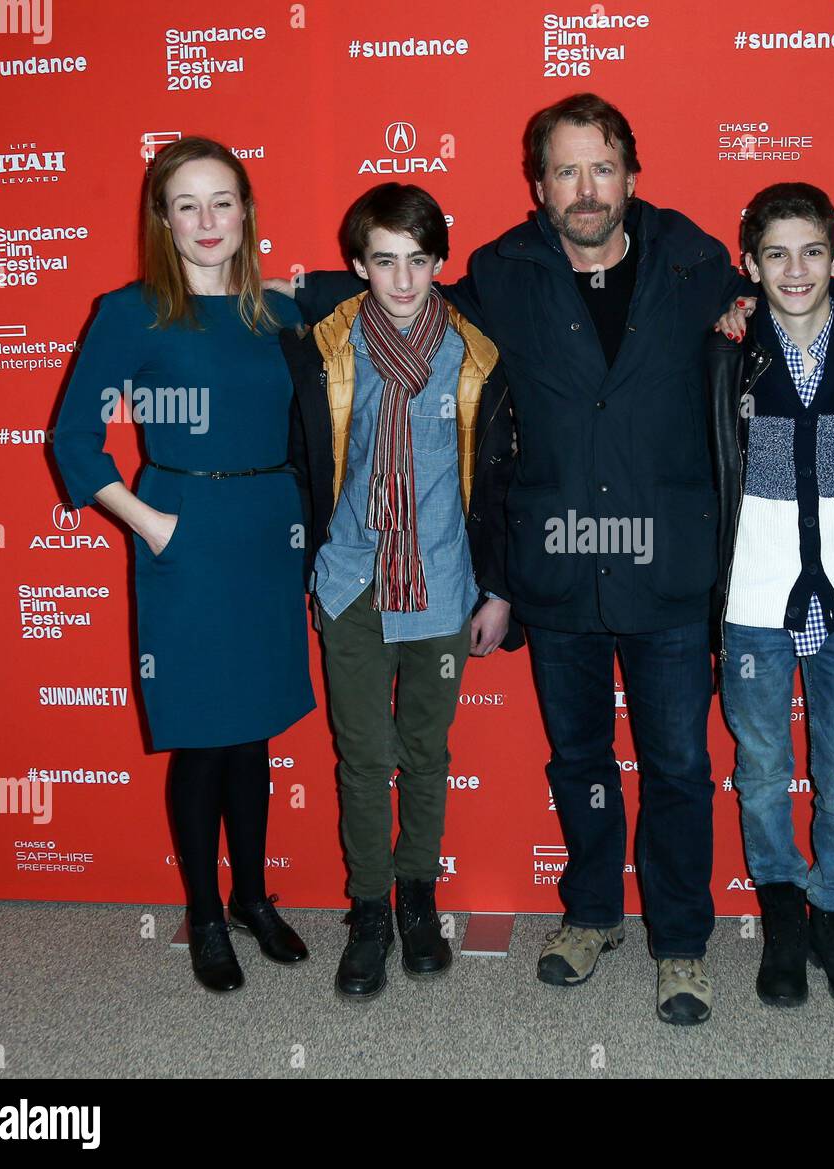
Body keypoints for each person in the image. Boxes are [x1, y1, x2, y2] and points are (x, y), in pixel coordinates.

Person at [278, 93, 834, 1026]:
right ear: (539, 184)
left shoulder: (698, 266)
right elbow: (388, 295)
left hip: (668, 571)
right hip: (558, 568)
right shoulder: (499, 271)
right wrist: (267, 300)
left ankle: (682, 941)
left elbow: (809, 294)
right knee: (578, 756)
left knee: (676, 766)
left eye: (602, 167)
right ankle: (588, 914)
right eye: (566, 170)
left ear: (631, 176)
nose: (586, 189)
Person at [53, 137, 314, 993]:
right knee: (204, 740)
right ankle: (204, 912)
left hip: (267, 533)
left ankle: (252, 896)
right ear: (162, 219)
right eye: (188, 204)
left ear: (246, 213)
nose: (208, 221)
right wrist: (150, 524)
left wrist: (290, 288)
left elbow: (384, 287)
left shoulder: (271, 313)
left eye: (223, 202)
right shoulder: (131, 312)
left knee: (255, 734)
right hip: (187, 535)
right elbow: (72, 441)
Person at [279, 183, 519, 999]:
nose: (405, 280)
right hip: (351, 581)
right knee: (361, 756)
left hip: (445, 583)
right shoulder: (323, 345)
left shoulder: (476, 349)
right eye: (384, 262)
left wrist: (500, 589)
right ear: (358, 267)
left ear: (441, 262)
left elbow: (502, 481)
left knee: (426, 750)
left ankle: (419, 893)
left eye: (419, 261)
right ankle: (371, 908)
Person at [707, 183, 834, 1010]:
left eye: (813, 251)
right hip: (752, 600)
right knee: (761, 771)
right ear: (750, 263)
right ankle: (783, 913)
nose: (796, 269)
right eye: (777, 254)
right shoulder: (726, 346)